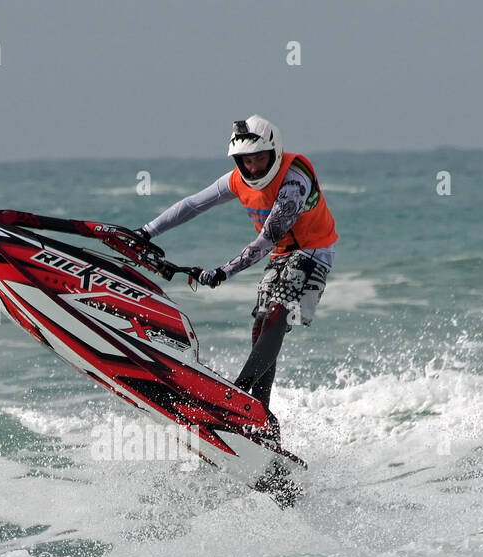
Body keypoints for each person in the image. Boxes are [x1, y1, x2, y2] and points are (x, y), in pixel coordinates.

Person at [134, 115, 338, 443]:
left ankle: (238, 396)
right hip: (283, 253)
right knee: (260, 325)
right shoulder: (237, 179)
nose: (254, 168)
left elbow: (265, 240)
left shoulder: (294, 180)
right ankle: (260, 416)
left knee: (275, 314)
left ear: (274, 152)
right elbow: (192, 205)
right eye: (247, 161)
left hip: (313, 252)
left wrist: (222, 271)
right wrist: (146, 232)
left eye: (260, 159)